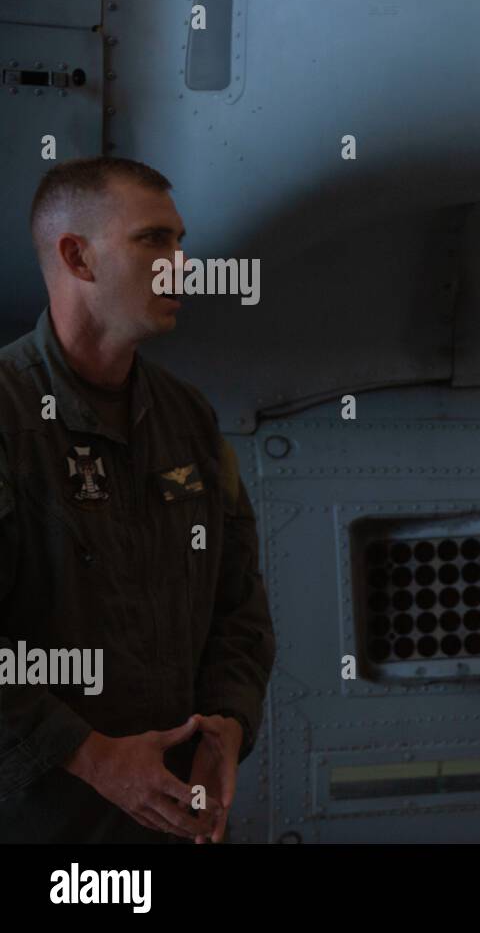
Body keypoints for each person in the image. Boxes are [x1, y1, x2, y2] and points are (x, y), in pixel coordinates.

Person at [0, 157, 275, 842]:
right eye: (153, 240)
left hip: (175, 821)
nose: (180, 265)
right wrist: (92, 757)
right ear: (78, 257)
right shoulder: (8, 415)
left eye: (179, 242)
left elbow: (239, 603)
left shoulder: (188, 419)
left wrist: (227, 728)